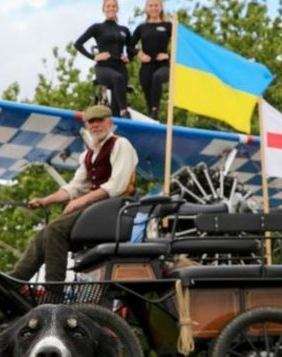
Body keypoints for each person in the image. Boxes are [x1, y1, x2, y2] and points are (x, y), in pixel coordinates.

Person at [10, 104, 137, 283]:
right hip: (97, 208)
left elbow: (117, 185)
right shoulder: (87, 154)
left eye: (99, 120)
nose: (94, 125)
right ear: (86, 127)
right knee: (44, 234)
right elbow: (75, 187)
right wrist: (45, 201)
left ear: (109, 123)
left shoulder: (120, 144)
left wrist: (80, 201)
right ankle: (15, 281)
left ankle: (54, 289)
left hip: (115, 208)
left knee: (55, 229)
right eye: (90, 122)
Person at [74, 0, 133, 118]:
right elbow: (78, 44)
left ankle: (118, 119)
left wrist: (129, 57)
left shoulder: (124, 29)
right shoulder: (97, 27)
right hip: (103, 68)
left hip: (121, 67)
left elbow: (132, 48)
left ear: (117, 8)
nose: (111, 8)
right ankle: (125, 112)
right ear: (104, 9)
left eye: (113, 6)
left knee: (116, 107)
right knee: (118, 78)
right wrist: (94, 57)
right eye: (108, 6)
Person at [130, 0, 171, 120]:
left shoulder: (168, 26)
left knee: (157, 77)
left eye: (156, 5)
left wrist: (168, 55)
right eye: (151, 6)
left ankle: (155, 110)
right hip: (147, 66)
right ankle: (153, 119)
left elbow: (181, 45)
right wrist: (139, 53)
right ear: (147, 8)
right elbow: (129, 46)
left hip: (164, 65)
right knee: (149, 97)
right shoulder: (142, 27)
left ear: (161, 7)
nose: (153, 8)